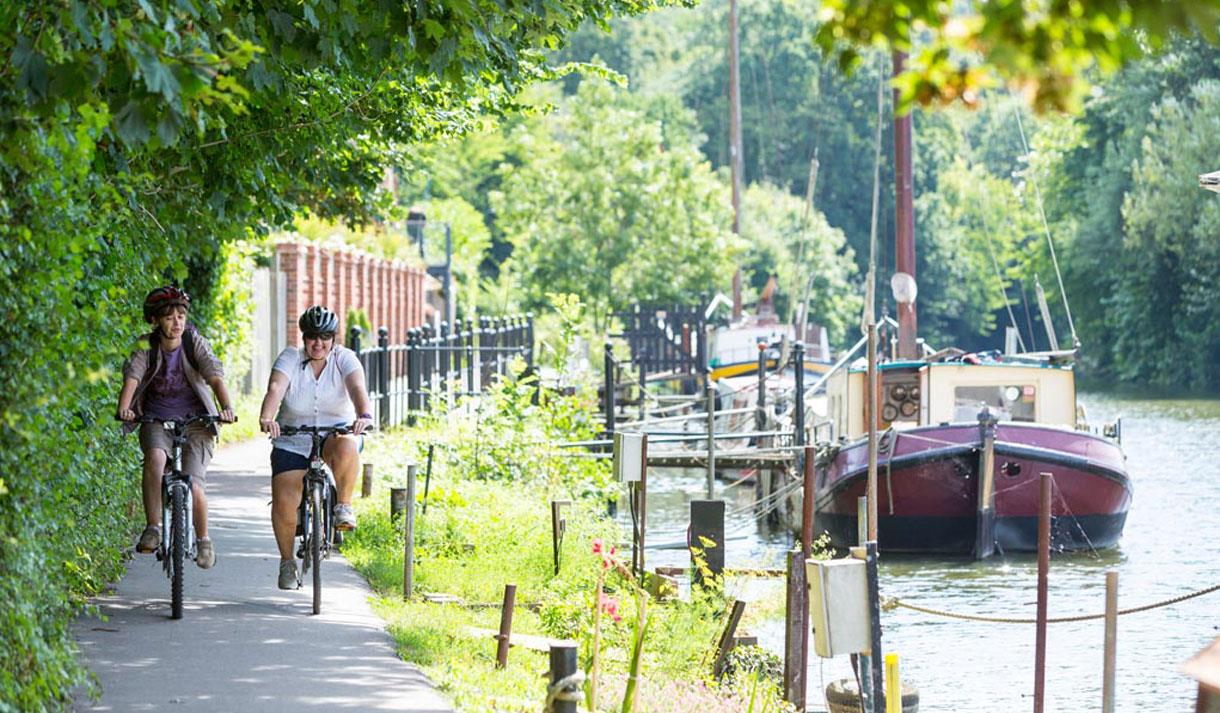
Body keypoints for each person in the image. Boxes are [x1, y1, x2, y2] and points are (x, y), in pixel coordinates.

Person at [116, 286, 236, 569]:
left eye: (181, 315)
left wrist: (226, 408)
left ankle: (204, 540)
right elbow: (132, 378)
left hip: (196, 422)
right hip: (156, 419)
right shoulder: (147, 346)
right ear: (155, 320)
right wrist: (125, 408)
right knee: (155, 459)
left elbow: (215, 376)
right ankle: (153, 527)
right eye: (169, 317)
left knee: (194, 484)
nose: (177, 322)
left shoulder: (194, 343)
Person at [258, 305, 373, 590]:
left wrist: (364, 415)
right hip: (293, 436)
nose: (318, 343)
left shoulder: (344, 358)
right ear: (304, 338)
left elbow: (357, 386)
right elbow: (275, 388)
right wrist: (267, 417)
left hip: (336, 432)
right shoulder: (290, 357)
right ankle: (286, 563)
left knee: (347, 447)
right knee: (285, 498)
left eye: (324, 337)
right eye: (312, 337)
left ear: (334, 339)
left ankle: (343, 507)